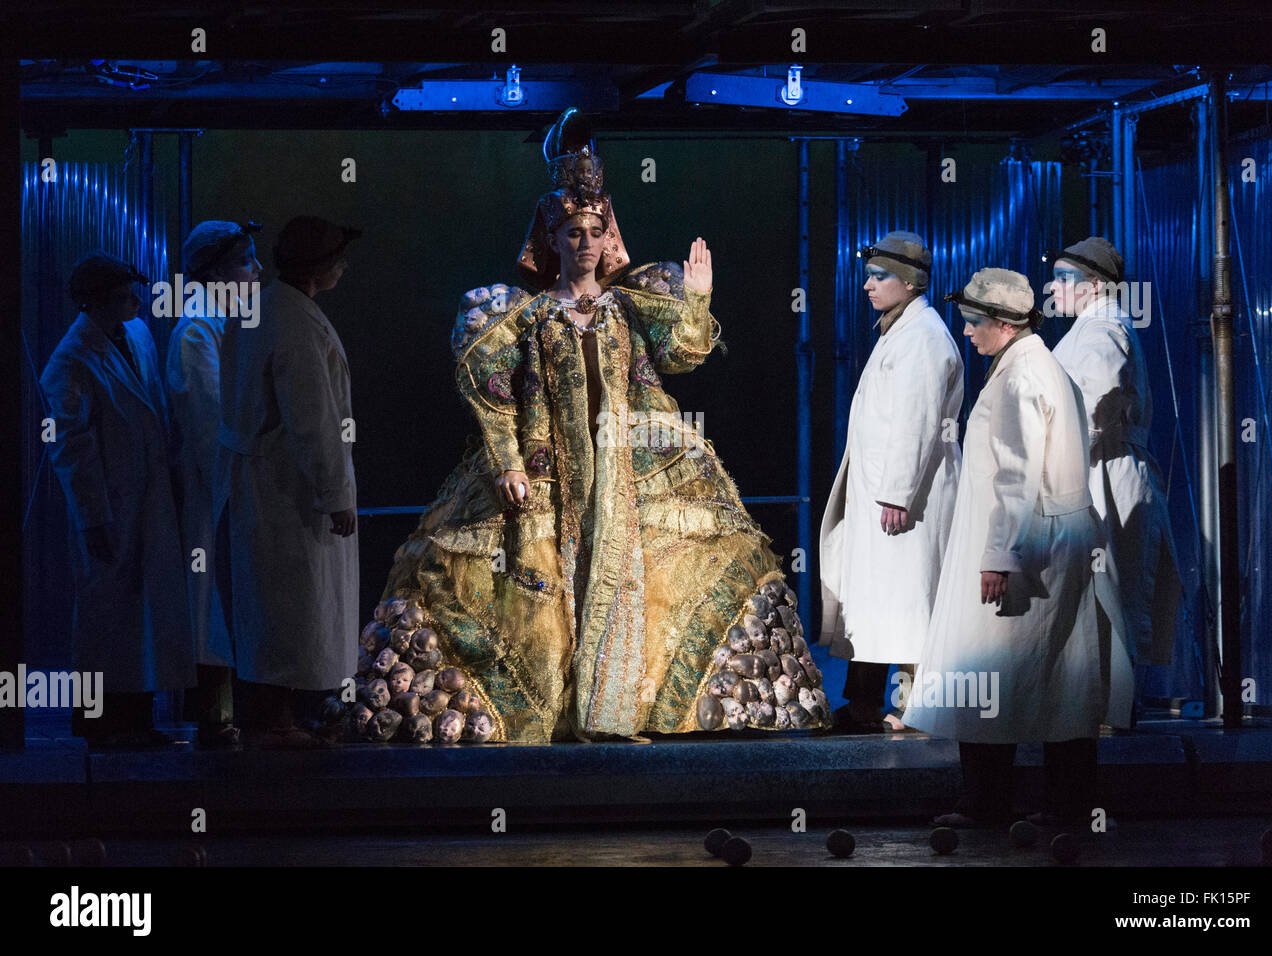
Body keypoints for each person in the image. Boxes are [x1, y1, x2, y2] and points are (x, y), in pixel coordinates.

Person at [332, 108, 830, 745]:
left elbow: (684, 354)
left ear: (608, 237)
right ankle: (549, 712)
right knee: (533, 586)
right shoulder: (525, 314)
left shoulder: (631, 304)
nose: (585, 243)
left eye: (595, 231)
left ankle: (630, 708)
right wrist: (508, 459)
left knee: (653, 574)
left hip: (630, 466)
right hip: (548, 468)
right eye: (572, 232)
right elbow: (492, 391)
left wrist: (699, 297)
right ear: (553, 239)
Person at [902, 268, 1134, 828]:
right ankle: (1056, 805)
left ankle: (993, 803)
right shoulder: (1035, 364)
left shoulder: (1020, 378)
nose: (969, 333)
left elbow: (1016, 473)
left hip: (1029, 548)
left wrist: (999, 555)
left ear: (1004, 325)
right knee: (1056, 682)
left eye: (976, 323)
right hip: (1052, 542)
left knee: (989, 673)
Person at [39, 252, 196, 749]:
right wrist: (92, 519)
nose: (139, 298)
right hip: (110, 506)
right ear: (101, 298)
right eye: (130, 292)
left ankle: (137, 719)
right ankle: (101, 725)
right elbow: (70, 446)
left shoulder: (138, 337)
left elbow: (156, 409)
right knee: (109, 617)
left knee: (143, 617)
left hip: (148, 502)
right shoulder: (70, 360)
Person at [218, 216, 360, 749]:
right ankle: (274, 718)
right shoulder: (292, 322)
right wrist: (336, 496)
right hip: (287, 484)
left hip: (266, 477)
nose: (343, 266)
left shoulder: (265, 309)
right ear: (319, 267)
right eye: (337, 258)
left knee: (276, 601)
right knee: (292, 605)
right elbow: (313, 420)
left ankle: (279, 714)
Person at [819, 232, 963, 733]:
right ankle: (863, 704)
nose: (867, 285)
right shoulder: (898, 330)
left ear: (909, 281)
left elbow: (917, 422)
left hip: (903, 501)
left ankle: (913, 707)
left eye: (879, 276)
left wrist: (898, 494)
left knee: (906, 608)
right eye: (869, 274)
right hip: (884, 496)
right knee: (879, 606)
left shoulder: (923, 337)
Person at [1049, 237, 1182, 688]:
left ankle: (1109, 711)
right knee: (1097, 591)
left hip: (1103, 471)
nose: (1054, 290)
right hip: (1094, 466)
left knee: (1107, 593)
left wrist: (1052, 452)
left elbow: (1095, 402)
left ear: (1094, 285)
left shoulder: (1104, 328)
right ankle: (1100, 703)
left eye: (1064, 280)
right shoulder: (1090, 327)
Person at [165, 220, 263, 749]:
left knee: (226, 601)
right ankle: (215, 713)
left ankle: (232, 711)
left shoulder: (227, 323)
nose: (258, 270)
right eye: (247, 260)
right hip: (215, 491)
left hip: (233, 490)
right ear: (217, 270)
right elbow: (208, 428)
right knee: (212, 602)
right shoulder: (197, 330)